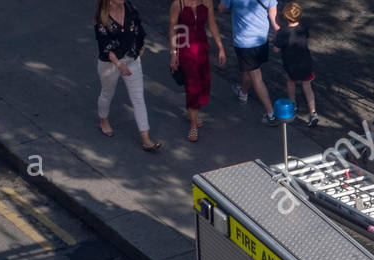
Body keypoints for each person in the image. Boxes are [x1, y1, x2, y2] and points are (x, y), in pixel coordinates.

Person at [94, 0, 162, 150]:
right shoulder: (102, 17)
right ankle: (103, 120)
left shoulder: (129, 7)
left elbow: (138, 27)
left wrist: (141, 46)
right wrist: (119, 65)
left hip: (131, 58)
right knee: (107, 93)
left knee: (138, 97)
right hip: (110, 64)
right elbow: (105, 47)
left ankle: (146, 138)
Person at [169, 0, 226, 142]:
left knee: (204, 83)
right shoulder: (178, 4)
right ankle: (193, 125)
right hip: (185, 48)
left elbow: (212, 23)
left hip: (201, 48)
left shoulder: (207, 2)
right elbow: (172, 28)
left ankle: (191, 111)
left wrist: (220, 47)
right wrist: (174, 53)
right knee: (193, 85)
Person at [218, 0, 278, 125]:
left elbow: (221, 8)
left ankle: (270, 114)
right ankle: (243, 93)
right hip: (261, 38)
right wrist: (275, 28)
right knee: (250, 69)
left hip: (245, 41)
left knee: (256, 76)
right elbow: (272, 10)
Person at [274, 2, 317, 126]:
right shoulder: (304, 28)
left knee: (290, 82)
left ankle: (292, 104)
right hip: (305, 62)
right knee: (307, 87)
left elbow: (276, 49)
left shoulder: (284, 32)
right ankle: (313, 113)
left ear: (285, 17)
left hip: (290, 64)